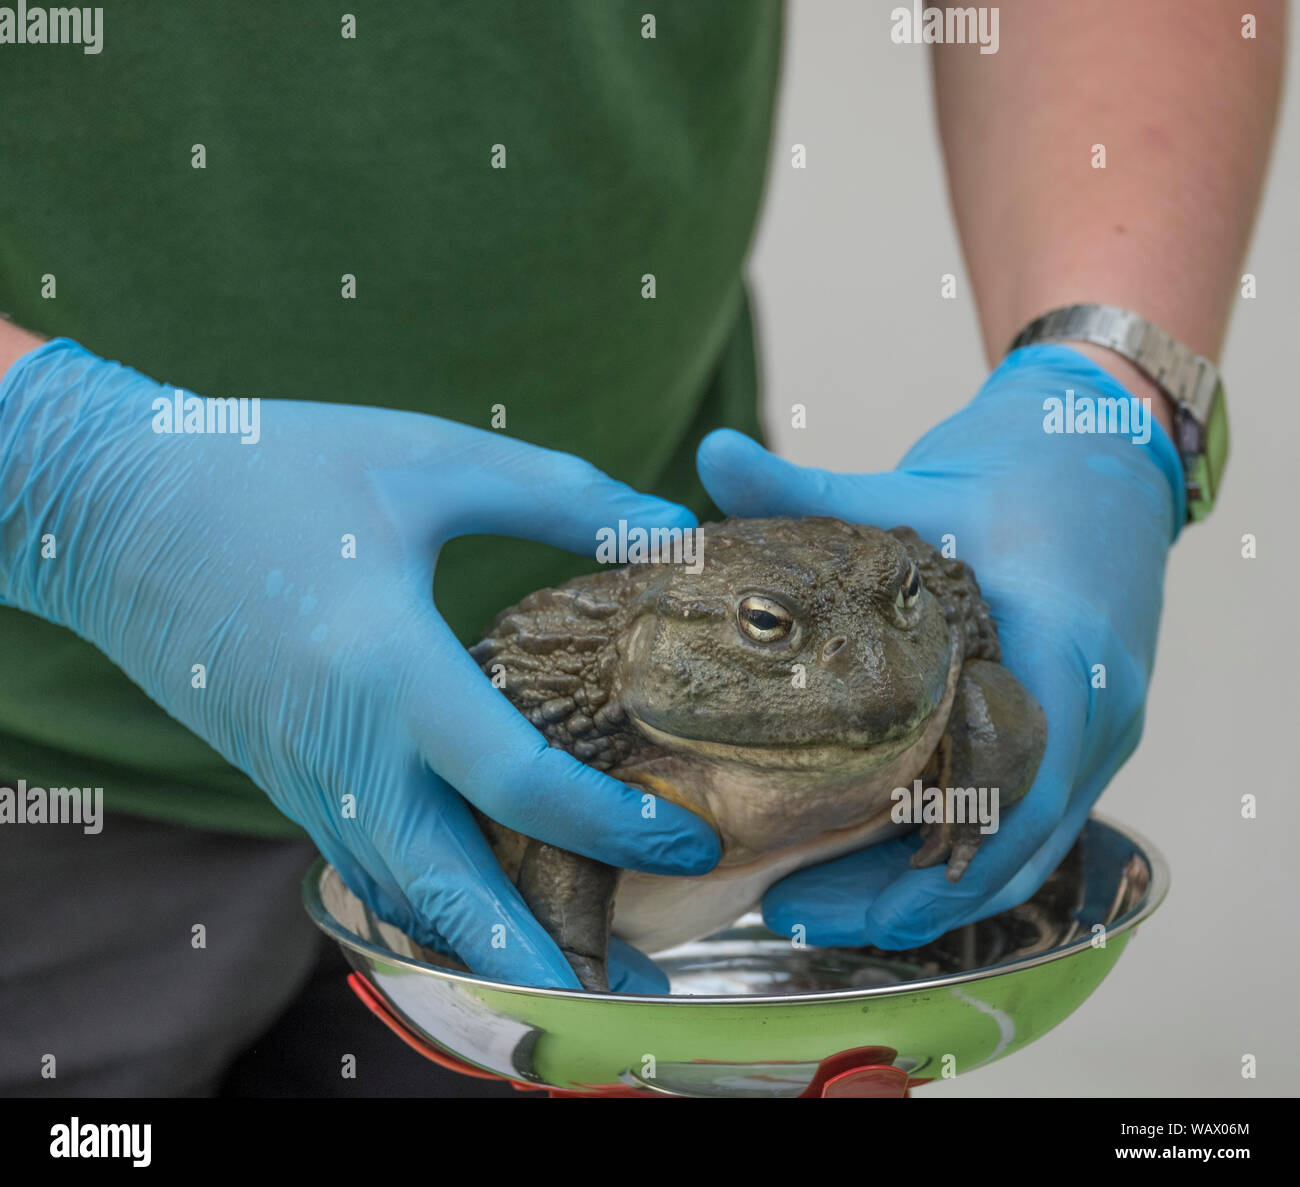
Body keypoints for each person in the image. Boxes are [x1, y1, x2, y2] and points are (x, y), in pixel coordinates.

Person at [0, 1, 1284, 1095]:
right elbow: (567, 806)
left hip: (672, 570)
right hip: (38, 766)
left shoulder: (897, 637)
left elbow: (979, 692)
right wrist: (57, 464)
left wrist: (1105, 388)